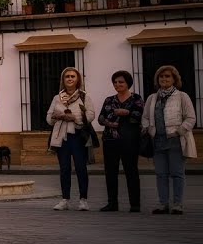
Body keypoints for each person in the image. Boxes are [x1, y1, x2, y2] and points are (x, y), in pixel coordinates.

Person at [142, 65, 195, 215]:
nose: (164, 79)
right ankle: (163, 204)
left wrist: (179, 131)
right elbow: (145, 117)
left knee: (177, 173)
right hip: (157, 141)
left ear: (174, 79)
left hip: (176, 141)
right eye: (161, 77)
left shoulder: (182, 96)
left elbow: (191, 118)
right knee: (160, 173)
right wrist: (147, 128)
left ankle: (177, 204)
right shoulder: (152, 98)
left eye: (167, 76)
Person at [47, 67, 96, 211]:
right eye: (67, 76)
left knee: (81, 168)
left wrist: (75, 117)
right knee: (64, 169)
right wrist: (59, 116)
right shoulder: (57, 98)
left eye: (72, 76)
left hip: (78, 136)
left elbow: (91, 114)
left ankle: (83, 200)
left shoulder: (84, 97)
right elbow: (49, 117)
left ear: (77, 79)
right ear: (63, 80)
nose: (69, 79)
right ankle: (65, 199)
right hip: (61, 138)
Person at [98, 70, 143, 212]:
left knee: (131, 171)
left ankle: (135, 204)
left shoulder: (136, 98)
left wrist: (127, 112)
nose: (118, 84)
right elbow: (100, 118)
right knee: (110, 172)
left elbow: (140, 116)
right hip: (110, 140)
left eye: (121, 82)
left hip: (130, 140)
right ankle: (112, 203)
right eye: (115, 82)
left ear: (128, 83)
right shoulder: (109, 100)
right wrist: (108, 123)